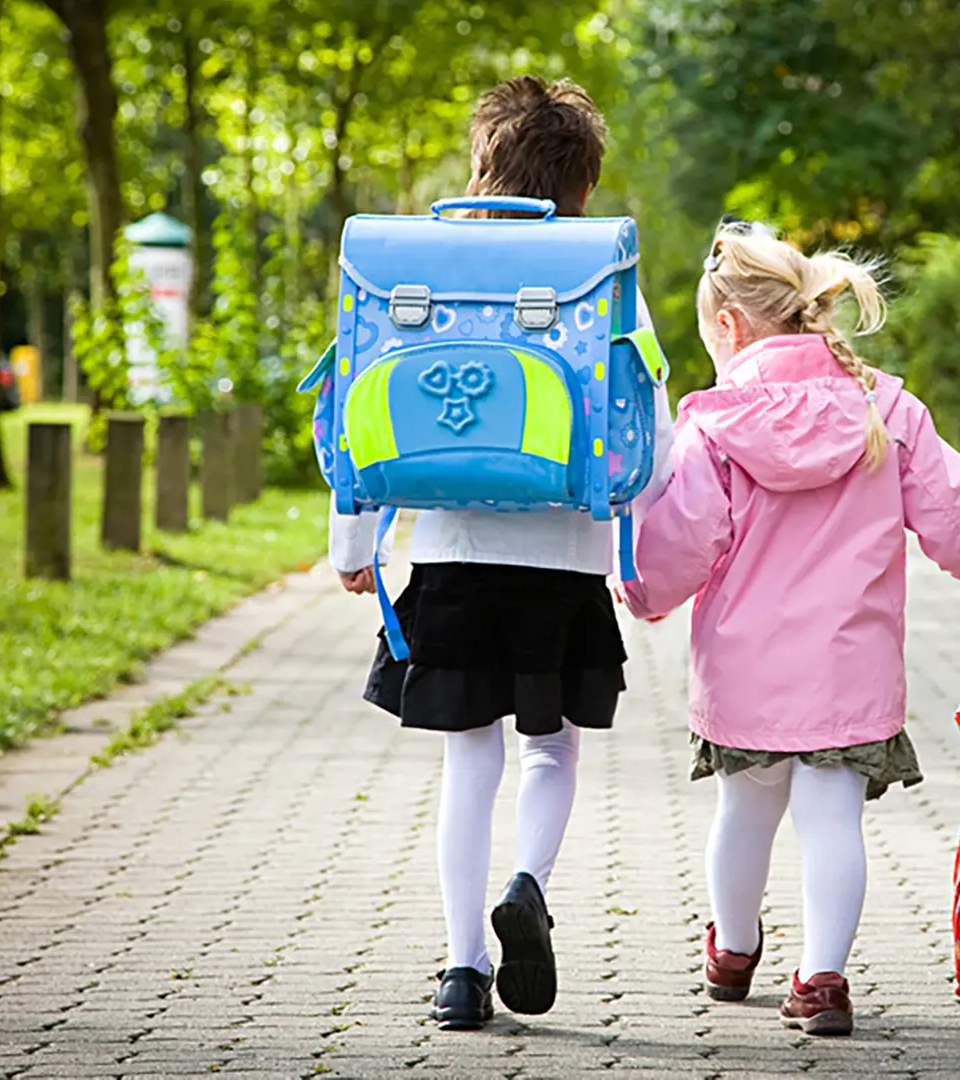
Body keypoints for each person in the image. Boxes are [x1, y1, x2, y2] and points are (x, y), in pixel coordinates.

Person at [618, 221, 960, 1037]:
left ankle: (733, 950)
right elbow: (953, 511)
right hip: (851, 668)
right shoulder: (888, 408)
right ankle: (822, 978)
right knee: (832, 820)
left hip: (744, 669)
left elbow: (683, 539)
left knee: (744, 813)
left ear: (729, 327)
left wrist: (641, 590)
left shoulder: (716, 425)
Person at [332, 76, 674, 1032]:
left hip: (450, 551)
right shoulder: (602, 272)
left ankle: (460, 969)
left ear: (481, 165)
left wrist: (354, 546)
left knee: (467, 764)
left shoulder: (416, 266)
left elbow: (360, 404)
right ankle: (528, 884)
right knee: (550, 748)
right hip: (565, 557)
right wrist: (644, 543)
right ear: (583, 185)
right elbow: (650, 430)